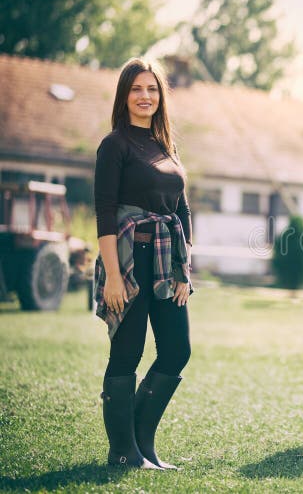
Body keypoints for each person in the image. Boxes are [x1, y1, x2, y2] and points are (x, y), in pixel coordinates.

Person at [94, 57, 193, 470]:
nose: (145, 96)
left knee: (177, 350)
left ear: (160, 97)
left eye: (152, 89)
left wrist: (184, 270)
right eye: (136, 89)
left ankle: (141, 443)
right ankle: (123, 451)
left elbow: (182, 211)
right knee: (127, 352)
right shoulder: (114, 145)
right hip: (130, 260)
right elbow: (105, 212)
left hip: (166, 265)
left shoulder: (167, 147)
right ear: (124, 95)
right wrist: (113, 277)